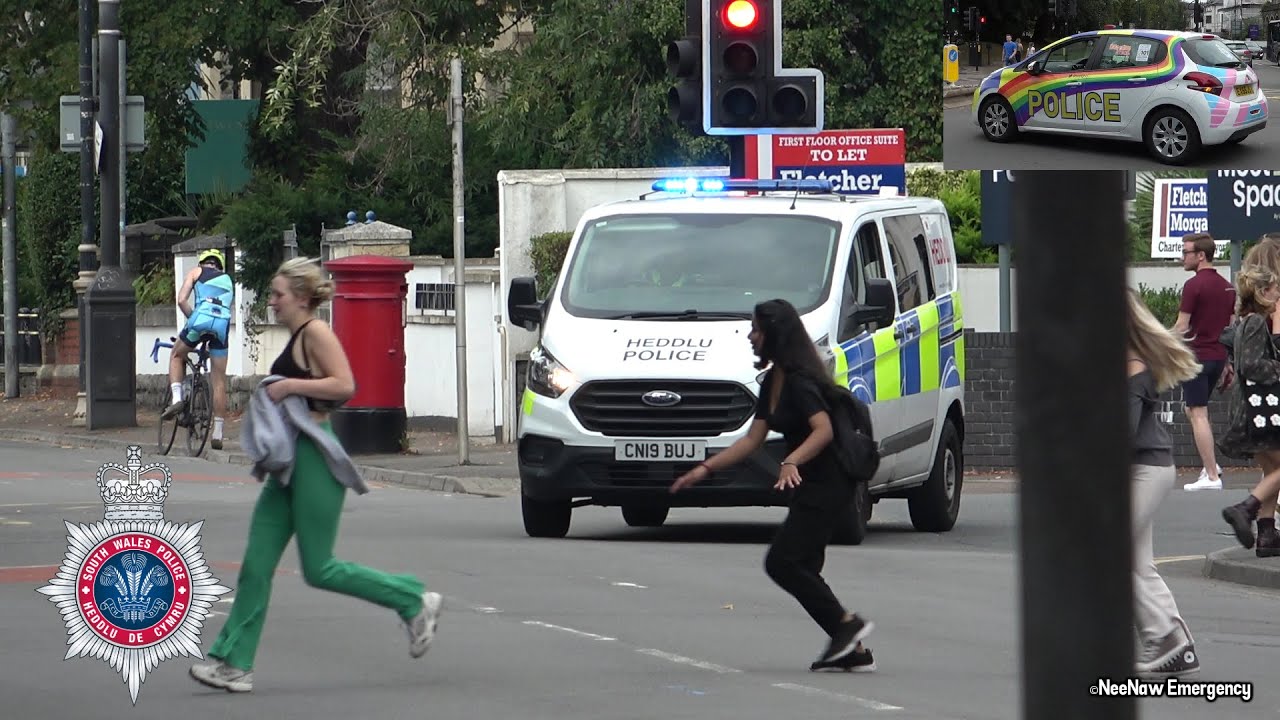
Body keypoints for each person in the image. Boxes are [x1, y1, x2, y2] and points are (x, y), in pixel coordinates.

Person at [189, 257, 441, 693]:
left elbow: (344, 385)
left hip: (315, 459)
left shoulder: (316, 333)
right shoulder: (296, 336)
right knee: (256, 564)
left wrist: (289, 387)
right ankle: (234, 662)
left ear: (301, 298)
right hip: (288, 464)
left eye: (278, 295)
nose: (272, 303)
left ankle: (412, 600)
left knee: (320, 568)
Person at [670, 298, 875, 673]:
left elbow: (823, 430)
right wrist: (704, 469)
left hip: (829, 483)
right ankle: (854, 649)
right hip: (813, 485)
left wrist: (791, 460)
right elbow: (752, 440)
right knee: (801, 566)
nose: (750, 336)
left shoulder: (799, 382)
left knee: (782, 562)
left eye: (757, 330)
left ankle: (847, 626)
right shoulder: (773, 382)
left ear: (774, 336)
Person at [1126, 289, 1202, 679]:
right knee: (1137, 563)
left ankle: (1165, 636)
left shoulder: (1134, 368)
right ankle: (1176, 642)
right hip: (1142, 469)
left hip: (1145, 470)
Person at [1220, 265, 1280, 557]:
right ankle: (1246, 508)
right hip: (1258, 413)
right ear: (1263, 292)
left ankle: (1267, 535)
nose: (1278, 293)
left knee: (1272, 470)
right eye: (1274, 289)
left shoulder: (1245, 321)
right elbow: (1252, 366)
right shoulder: (1256, 322)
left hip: (1247, 411)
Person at [1174, 233, 1235, 491]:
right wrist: (1229, 362)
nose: (1182, 257)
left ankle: (1211, 475)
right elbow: (1231, 328)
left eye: (1186, 252)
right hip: (1218, 358)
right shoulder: (1227, 286)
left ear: (1201, 255)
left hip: (1196, 358)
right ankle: (1211, 466)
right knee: (1194, 410)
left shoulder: (1193, 286)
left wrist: (1154, 345)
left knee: (1198, 412)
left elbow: (1181, 327)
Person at [164, 249, 235, 449]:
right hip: (221, 328)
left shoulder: (196, 272)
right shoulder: (228, 279)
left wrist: (193, 318)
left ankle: (177, 398)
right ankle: (218, 434)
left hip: (200, 321)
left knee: (177, 355)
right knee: (219, 380)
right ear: (219, 265)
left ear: (203, 262)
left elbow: (181, 300)